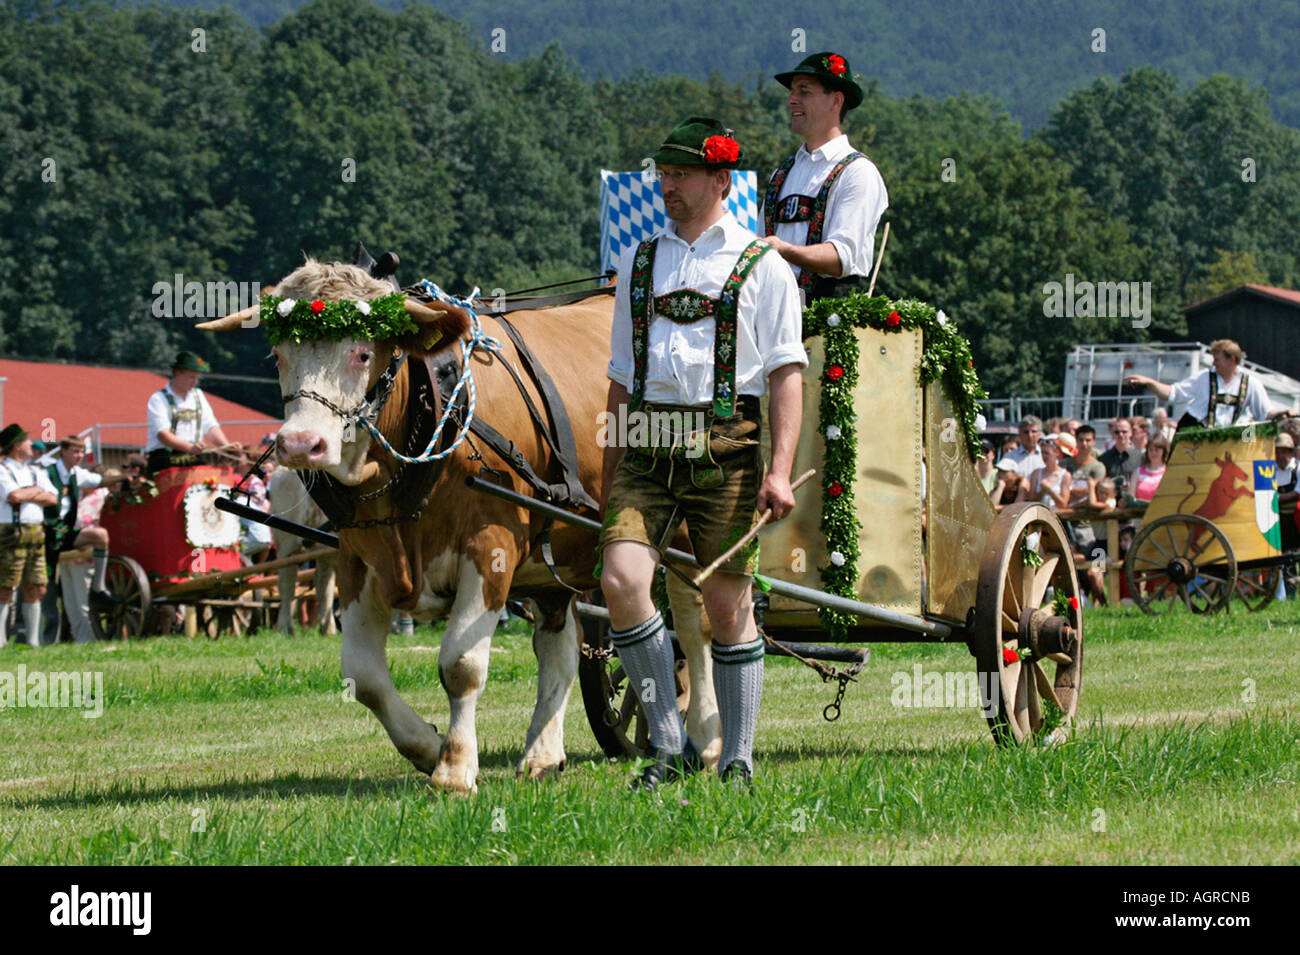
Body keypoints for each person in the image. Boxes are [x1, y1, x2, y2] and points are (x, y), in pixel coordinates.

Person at [601, 117, 805, 789]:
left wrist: (779, 470)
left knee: (726, 604)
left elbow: (785, 374)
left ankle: (739, 757)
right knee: (623, 580)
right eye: (662, 174)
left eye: (680, 174)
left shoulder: (763, 265)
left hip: (728, 443)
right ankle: (667, 745)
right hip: (647, 440)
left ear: (720, 180)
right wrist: (611, 459)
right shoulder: (638, 261)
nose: (668, 186)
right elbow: (621, 378)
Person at [762, 52, 888, 302]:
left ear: (836, 101)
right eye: (791, 92)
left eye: (804, 91)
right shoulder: (782, 174)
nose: (791, 100)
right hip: (774, 312)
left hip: (832, 318)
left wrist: (782, 249)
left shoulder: (857, 172)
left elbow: (841, 258)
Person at [1125, 339, 1291, 429]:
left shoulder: (1251, 384)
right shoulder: (1204, 378)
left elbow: (1266, 412)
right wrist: (1149, 382)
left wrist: (1283, 413)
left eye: (1217, 359)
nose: (1213, 363)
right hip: (1195, 434)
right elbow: (1172, 393)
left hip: (1228, 439)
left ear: (1232, 360)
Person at [0, 424, 58, 648]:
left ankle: (34, 641)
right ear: (16, 445)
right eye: (26, 441)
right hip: (11, 531)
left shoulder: (36, 471)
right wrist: (36, 491)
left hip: (36, 530)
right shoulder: (3, 470)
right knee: (5, 585)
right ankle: (2, 640)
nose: (31, 444)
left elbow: (53, 498)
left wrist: (28, 492)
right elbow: (13, 495)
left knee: (35, 585)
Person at [43, 437, 114, 609]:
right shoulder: (46, 473)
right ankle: (27, 631)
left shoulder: (77, 474)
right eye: (75, 451)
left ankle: (98, 588)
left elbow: (99, 480)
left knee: (100, 535)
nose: (79, 455)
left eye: (81, 451)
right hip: (46, 534)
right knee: (43, 587)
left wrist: (125, 477)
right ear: (63, 451)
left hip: (65, 532)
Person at [145, 351, 237, 473]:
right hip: (165, 460)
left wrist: (226, 446)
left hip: (194, 458)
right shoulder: (158, 398)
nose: (195, 382)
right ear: (177, 373)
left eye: (196, 377)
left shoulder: (198, 396)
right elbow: (163, 434)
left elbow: (210, 426)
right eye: (191, 377)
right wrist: (189, 448)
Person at [1016, 434, 1071, 509]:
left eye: (1047, 453)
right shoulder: (1036, 473)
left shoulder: (1065, 475)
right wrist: (1042, 492)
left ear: (1057, 453)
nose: (1044, 456)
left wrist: (1050, 491)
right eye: (1042, 453)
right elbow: (1031, 501)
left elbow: (1063, 504)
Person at [1098, 417, 1141, 493]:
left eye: (1124, 432)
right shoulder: (1103, 459)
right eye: (1117, 432)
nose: (1121, 435)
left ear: (1131, 432)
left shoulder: (1141, 457)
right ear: (1112, 433)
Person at [1134, 435, 1170, 503]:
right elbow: (1131, 499)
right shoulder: (1137, 472)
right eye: (1150, 450)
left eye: (1157, 450)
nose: (1153, 453)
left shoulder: (1169, 472)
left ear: (1164, 451)